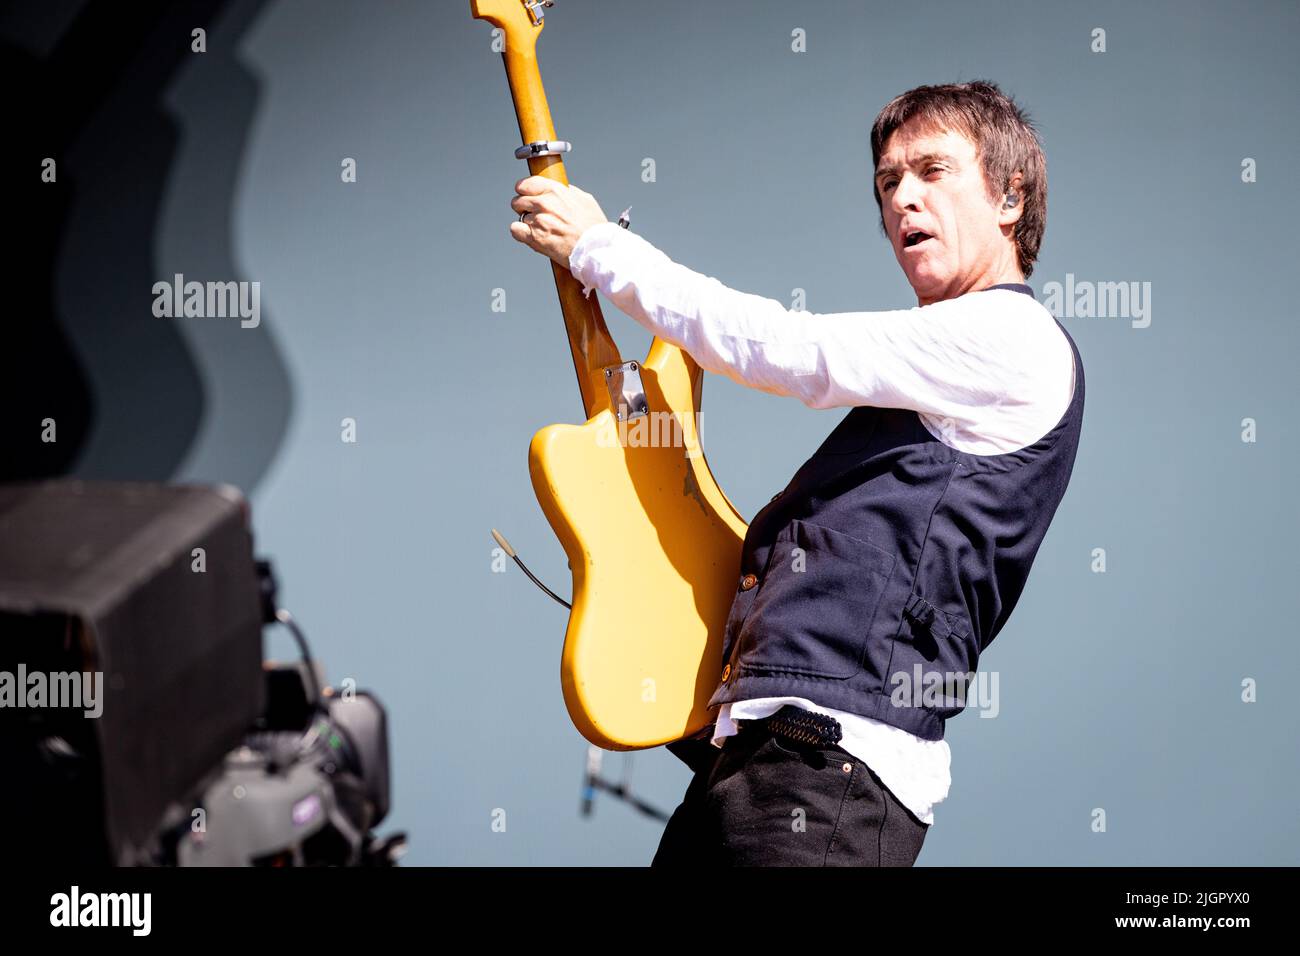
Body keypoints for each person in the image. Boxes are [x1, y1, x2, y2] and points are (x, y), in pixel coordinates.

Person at [509, 80, 1084, 866]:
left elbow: (788, 349)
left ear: (1010, 197)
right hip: (759, 765)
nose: (902, 199)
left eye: (931, 171)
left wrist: (598, 246)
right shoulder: (947, 376)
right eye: (888, 182)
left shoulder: (1010, 337)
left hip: (826, 776)